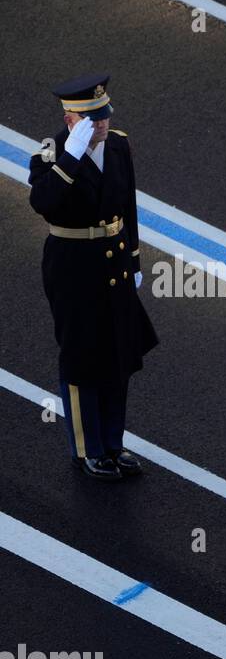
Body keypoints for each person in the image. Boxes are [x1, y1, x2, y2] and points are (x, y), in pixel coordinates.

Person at [28, 73, 158, 480]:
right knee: (83, 355)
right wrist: (71, 158)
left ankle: (114, 444)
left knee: (117, 353)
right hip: (74, 266)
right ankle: (89, 449)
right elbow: (43, 201)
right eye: (92, 119)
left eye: (103, 116)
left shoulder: (118, 144)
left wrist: (134, 262)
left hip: (114, 261)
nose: (101, 124)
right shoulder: (51, 153)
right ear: (71, 120)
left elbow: (129, 207)